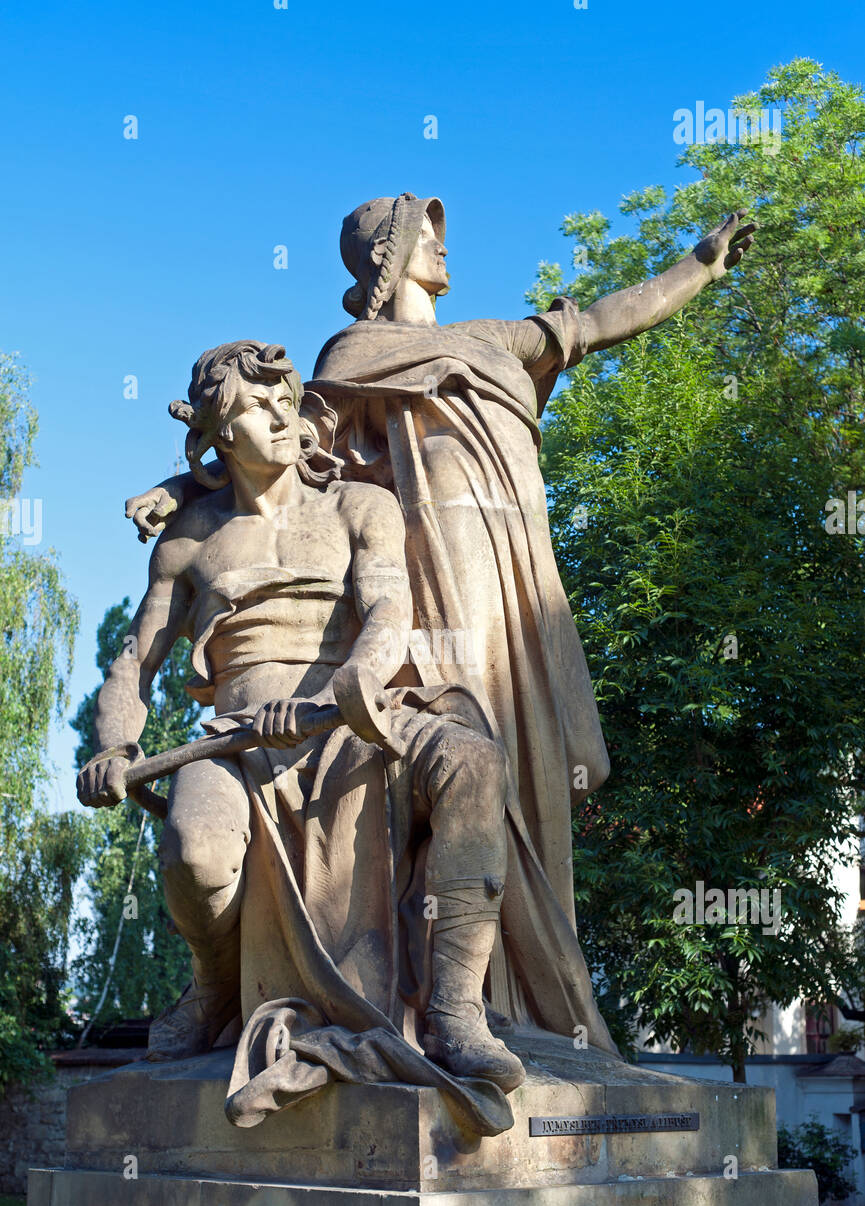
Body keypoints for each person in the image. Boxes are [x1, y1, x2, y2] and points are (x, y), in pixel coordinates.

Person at [124, 196, 754, 1042]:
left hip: (509, 580)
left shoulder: (490, 340)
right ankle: (445, 998)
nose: (444, 250)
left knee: (514, 765)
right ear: (387, 257)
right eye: (427, 236)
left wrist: (698, 266)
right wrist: (181, 488)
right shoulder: (351, 357)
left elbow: (600, 323)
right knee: (435, 750)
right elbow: (277, 452)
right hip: (421, 580)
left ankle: (515, 1001)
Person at [78, 340, 530, 1136]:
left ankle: (458, 1010)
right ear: (218, 433)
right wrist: (114, 746)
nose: (281, 417)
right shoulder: (186, 541)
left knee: (471, 761)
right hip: (233, 738)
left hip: (350, 717)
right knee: (193, 852)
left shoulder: (359, 506)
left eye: (284, 398)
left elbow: (387, 609)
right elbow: (133, 663)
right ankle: (212, 984)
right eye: (256, 407)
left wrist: (348, 685)